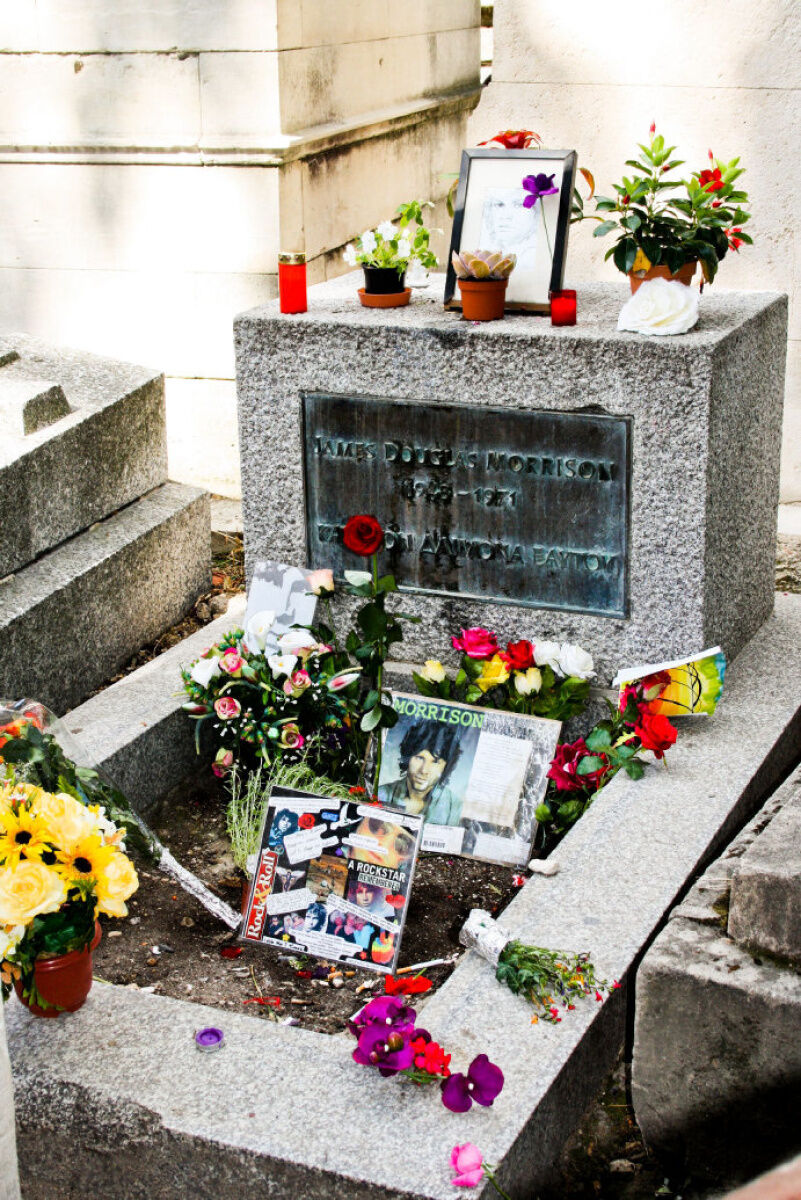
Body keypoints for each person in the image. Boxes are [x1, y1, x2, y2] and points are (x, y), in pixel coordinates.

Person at [378, 721, 463, 825]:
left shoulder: (455, 807)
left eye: (435, 762)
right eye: (419, 758)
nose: (424, 770)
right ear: (407, 757)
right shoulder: (381, 794)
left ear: (446, 767)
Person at [479, 187, 539, 271]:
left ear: (535, 213)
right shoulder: (485, 250)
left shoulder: (535, 256)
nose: (505, 216)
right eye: (499, 204)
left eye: (518, 205)